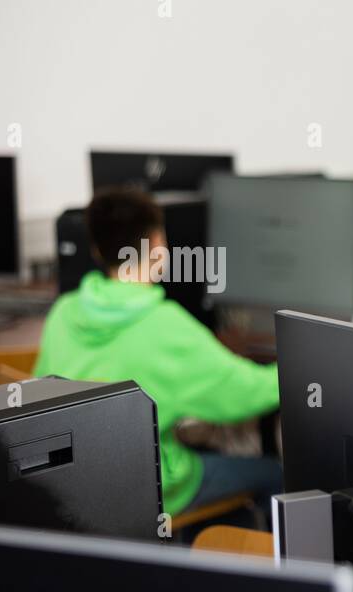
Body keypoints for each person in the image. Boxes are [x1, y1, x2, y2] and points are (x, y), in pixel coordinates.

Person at [33, 187, 281, 519]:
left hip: (78, 487)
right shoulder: (165, 325)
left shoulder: (63, 312)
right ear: (158, 246)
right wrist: (300, 369)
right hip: (153, 488)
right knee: (272, 472)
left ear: (96, 249)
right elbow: (244, 397)